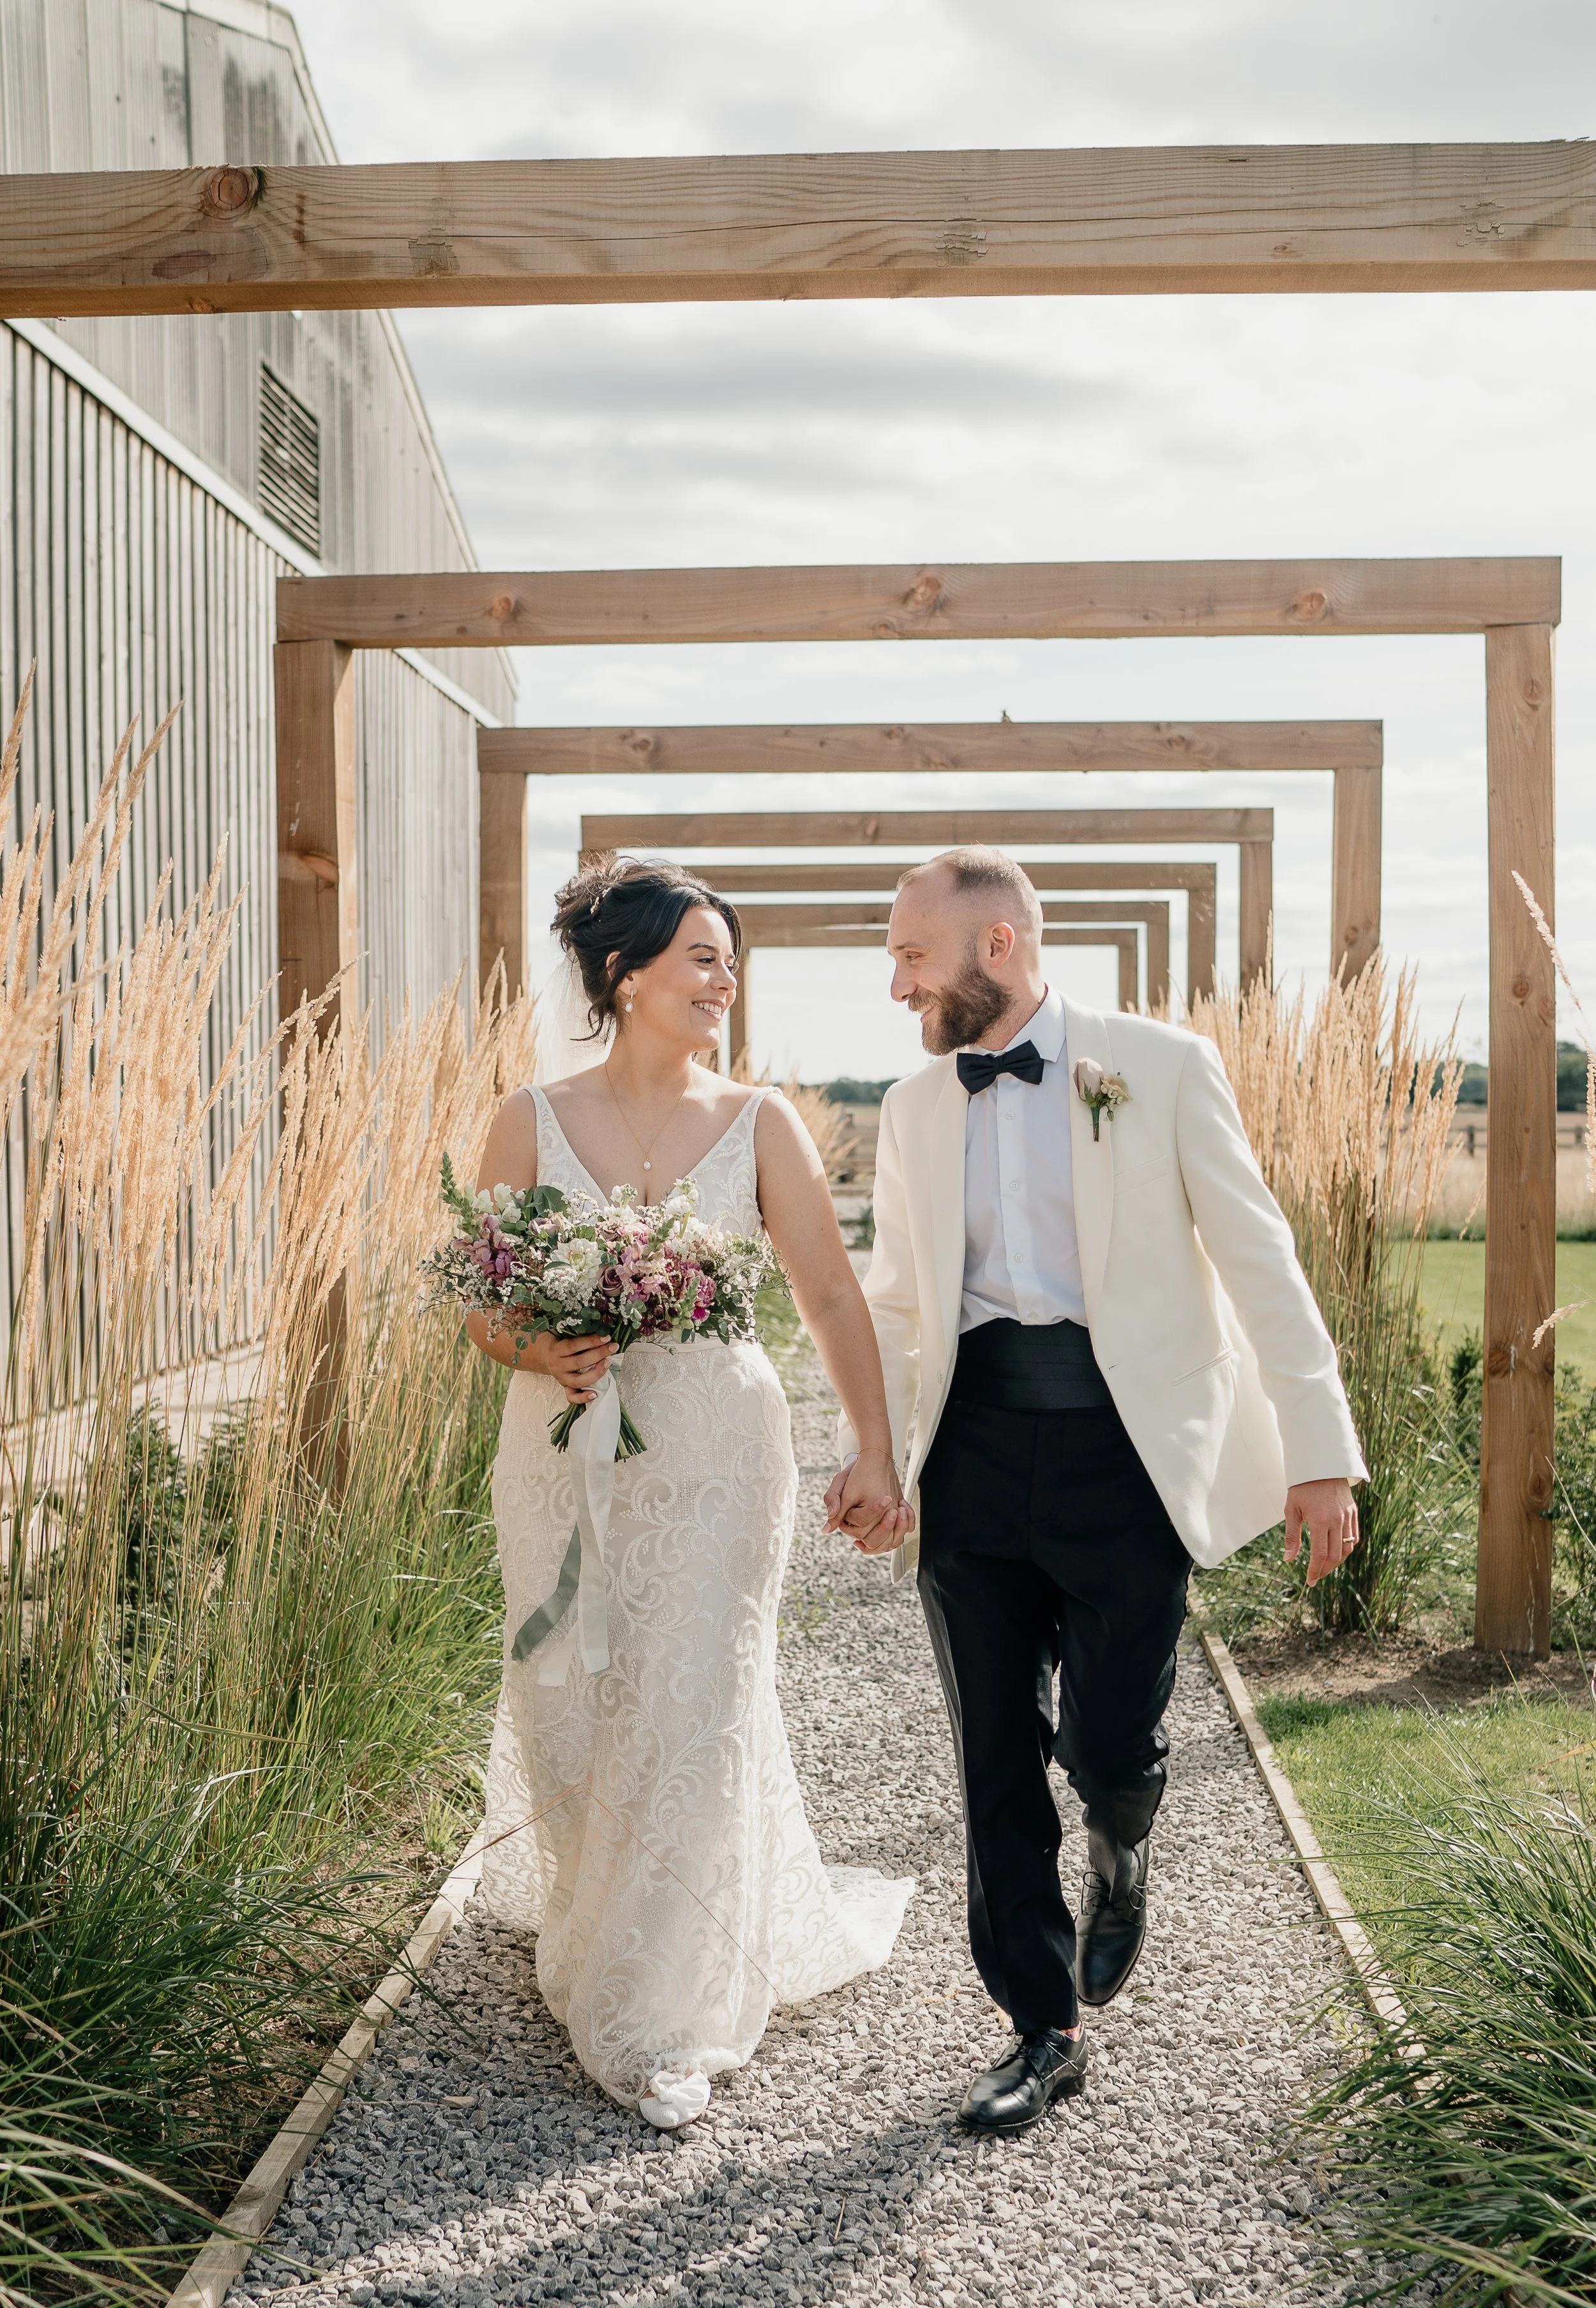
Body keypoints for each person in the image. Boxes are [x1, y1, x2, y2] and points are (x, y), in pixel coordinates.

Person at [827, 847, 1365, 2137]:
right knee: (993, 1755)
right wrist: (876, 1453)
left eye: (912, 953)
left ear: (996, 946)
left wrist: (1317, 1446)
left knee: (1106, 1739)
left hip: (1126, 1456)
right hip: (972, 1461)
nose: (893, 981)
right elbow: (900, 1301)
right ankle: (1039, 2022)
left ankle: (1122, 1842)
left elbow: (1258, 1258)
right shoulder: (909, 1108)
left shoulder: (1158, 1066)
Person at [469, 855, 914, 2129]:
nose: (724, 981)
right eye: (701, 958)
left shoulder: (761, 1120)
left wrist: (873, 1450)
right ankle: (593, 1911)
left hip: (719, 1443)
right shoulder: (527, 1117)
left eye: (731, 961)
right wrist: (535, 1346)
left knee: (694, 1697)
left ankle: (660, 2010)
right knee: (574, 1693)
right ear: (625, 973)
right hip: (560, 1443)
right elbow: (479, 1303)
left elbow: (827, 1296)